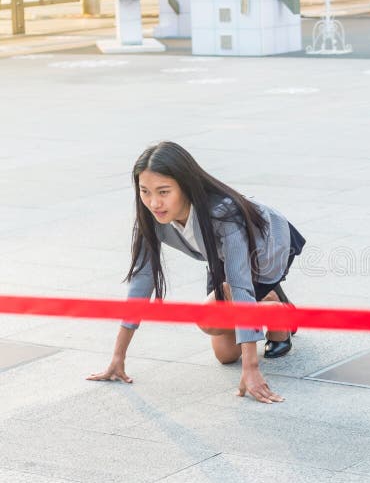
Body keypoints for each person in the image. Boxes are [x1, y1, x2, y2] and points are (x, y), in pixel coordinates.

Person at [87, 141, 305, 404]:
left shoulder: (224, 214)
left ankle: (279, 315)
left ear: (186, 186)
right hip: (221, 260)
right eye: (145, 191)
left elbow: (240, 284)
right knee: (225, 354)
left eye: (164, 191)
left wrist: (251, 369)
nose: (154, 202)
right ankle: (268, 301)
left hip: (266, 249)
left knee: (207, 318)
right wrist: (117, 358)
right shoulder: (152, 217)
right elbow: (142, 281)